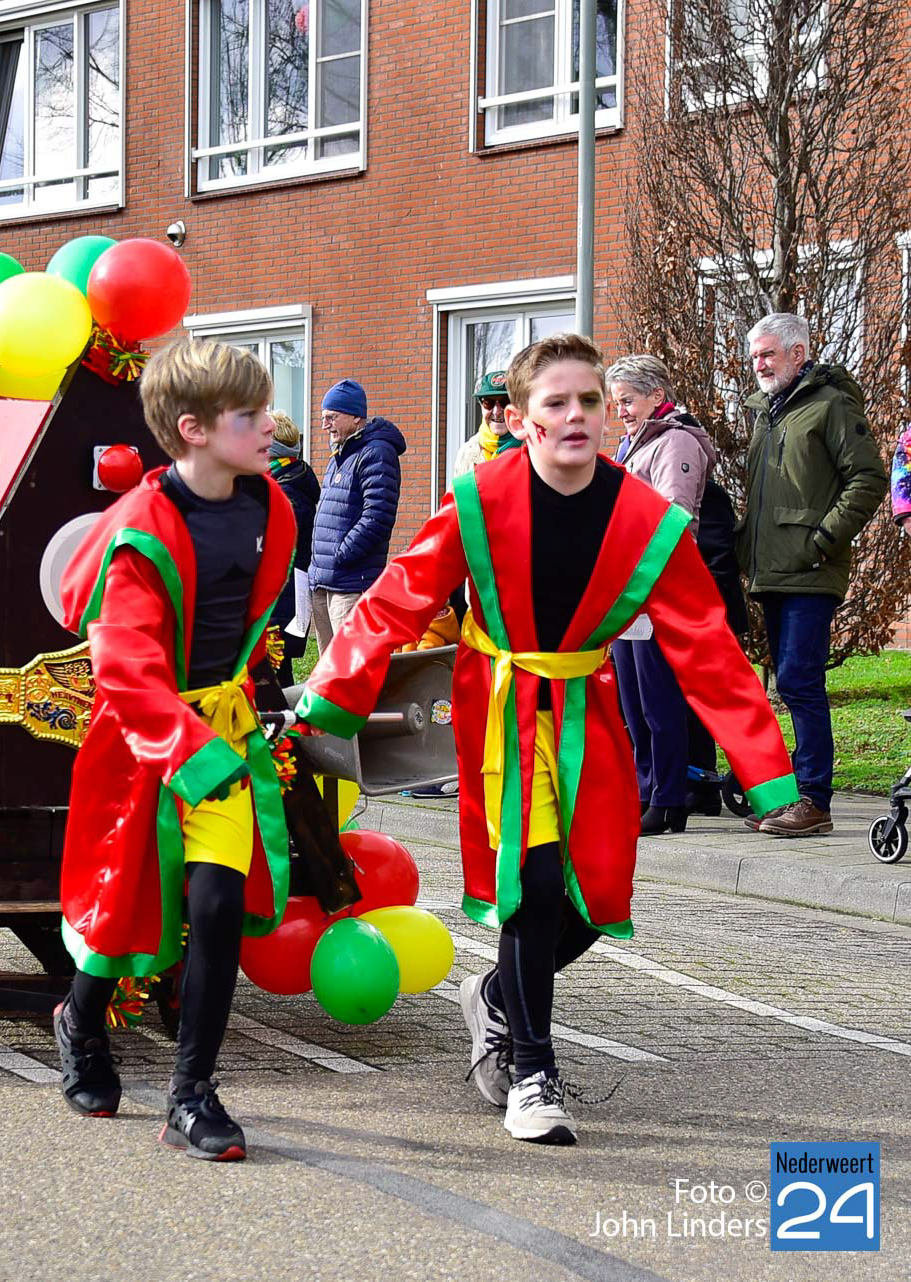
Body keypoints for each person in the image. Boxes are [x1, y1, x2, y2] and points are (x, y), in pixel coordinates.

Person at [297, 334, 799, 1145]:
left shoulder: (648, 519)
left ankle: (496, 996)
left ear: (606, 413)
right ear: (524, 419)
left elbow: (707, 648)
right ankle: (532, 1070)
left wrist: (768, 773)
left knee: (597, 896)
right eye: (556, 402)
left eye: (589, 400)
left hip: (588, 710)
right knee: (530, 882)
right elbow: (396, 600)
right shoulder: (477, 499)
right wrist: (333, 694)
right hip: (504, 711)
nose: (575, 416)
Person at [53, 338, 298, 1162]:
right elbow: (124, 666)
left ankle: (192, 1094)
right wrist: (190, 754)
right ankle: (80, 1018)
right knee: (121, 910)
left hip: (221, 733)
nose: (270, 427)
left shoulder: (269, 505)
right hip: (143, 743)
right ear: (193, 429)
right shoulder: (142, 530)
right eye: (250, 416)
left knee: (216, 909)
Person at [738, 312, 887, 837]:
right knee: (789, 683)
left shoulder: (831, 404)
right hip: (771, 571)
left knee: (801, 681)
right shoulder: (768, 412)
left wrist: (822, 540)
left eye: (768, 354)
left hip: (809, 569)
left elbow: (868, 478)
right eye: (754, 356)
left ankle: (814, 800)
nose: (758, 364)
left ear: (798, 353)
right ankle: (791, 797)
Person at [605, 355, 718, 835]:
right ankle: (645, 789)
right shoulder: (632, 442)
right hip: (625, 590)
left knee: (658, 701)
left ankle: (669, 798)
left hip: (654, 590)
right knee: (632, 703)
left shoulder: (675, 441)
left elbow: (676, 516)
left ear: (656, 395)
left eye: (628, 400)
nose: (621, 411)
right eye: (617, 403)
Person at [308, 379, 405, 652]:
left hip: (350, 585)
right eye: (323, 418)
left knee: (352, 666)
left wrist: (341, 555)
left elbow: (378, 517)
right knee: (328, 670)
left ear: (355, 416)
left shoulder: (376, 453)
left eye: (332, 417)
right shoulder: (339, 456)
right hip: (325, 582)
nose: (325, 425)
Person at [266, 410, 318, 689]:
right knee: (277, 669)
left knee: (275, 667)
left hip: (282, 591)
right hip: (286, 590)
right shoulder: (288, 481)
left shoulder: (286, 492)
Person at [452, 370, 521, 478]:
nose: (496, 412)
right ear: (481, 406)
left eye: (505, 402)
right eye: (488, 403)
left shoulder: (533, 449)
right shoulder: (466, 453)